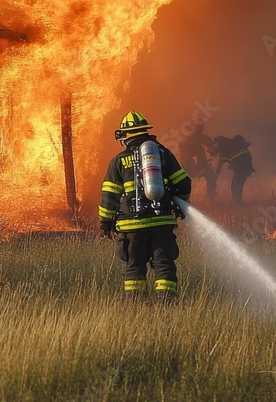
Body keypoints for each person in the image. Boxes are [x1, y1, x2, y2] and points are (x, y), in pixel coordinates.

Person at [98, 111, 192, 298]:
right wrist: (182, 203)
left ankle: (136, 305)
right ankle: (166, 304)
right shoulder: (163, 154)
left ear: (125, 136)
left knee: (134, 266)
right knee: (163, 263)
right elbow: (184, 183)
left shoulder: (118, 160)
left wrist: (105, 222)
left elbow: (110, 196)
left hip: (131, 226)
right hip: (161, 222)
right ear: (145, 132)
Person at [179, 122, 217, 200]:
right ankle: (211, 197)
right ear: (200, 128)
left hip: (185, 164)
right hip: (197, 165)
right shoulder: (202, 138)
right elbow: (213, 151)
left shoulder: (185, 138)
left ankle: (182, 198)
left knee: (183, 181)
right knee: (211, 176)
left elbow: (180, 147)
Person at [214, 135, 255, 204]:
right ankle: (237, 201)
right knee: (237, 184)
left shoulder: (223, 148)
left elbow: (219, 165)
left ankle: (237, 202)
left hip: (241, 167)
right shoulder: (233, 144)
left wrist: (215, 175)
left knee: (235, 184)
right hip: (246, 167)